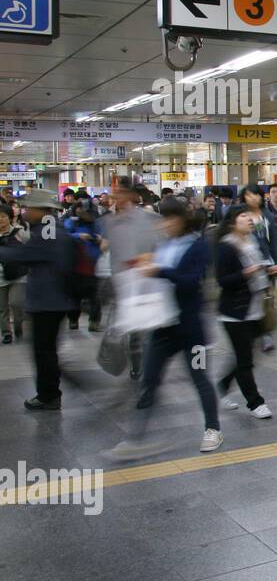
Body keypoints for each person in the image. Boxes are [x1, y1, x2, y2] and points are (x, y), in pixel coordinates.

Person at [106, 197, 220, 459]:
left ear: (181, 220)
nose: (164, 225)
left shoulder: (199, 246)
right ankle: (136, 438)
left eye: (169, 219)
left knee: (200, 377)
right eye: (162, 219)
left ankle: (213, 428)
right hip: (163, 327)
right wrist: (142, 265)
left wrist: (159, 271)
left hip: (192, 330)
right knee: (149, 381)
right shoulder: (165, 245)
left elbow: (190, 281)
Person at [0, 189, 77, 410]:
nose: (25, 212)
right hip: (52, 298)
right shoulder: (49, 228)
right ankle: (50, 391)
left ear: (40, 210)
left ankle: (49, 395)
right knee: (45, 349)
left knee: (43, 351)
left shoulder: (49, 231)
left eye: (28, 208)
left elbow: (27, 255)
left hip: (49, 300)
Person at [214, 204, 277, 428]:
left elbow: (259, 267)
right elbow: (223, 281)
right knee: (245, 359)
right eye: (244, 216)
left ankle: (223, 385)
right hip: (235, 312)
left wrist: (269, 270)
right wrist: (247, 272)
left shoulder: (252, 241)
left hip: (255, 308)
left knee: (245, 354)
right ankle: (255, 403)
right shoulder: (226, 247)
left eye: (250, 216)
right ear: (233, 222)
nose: (250, 219)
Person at [97, 178, 162, 379]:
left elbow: (159, 248)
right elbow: (104, 247)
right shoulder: (110, 220)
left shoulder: (149, 219)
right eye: (115, 194)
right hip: (118, 281)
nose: (117, 198)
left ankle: (137, 365)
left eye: (121, 194)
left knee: (138, 329)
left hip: (141, 281)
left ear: (133, 196)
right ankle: (128, 360)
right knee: (121, 326)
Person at [237, 184, 277, 352]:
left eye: (256, 195)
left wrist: (276, 262)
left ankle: (265, 334)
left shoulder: (267, 215)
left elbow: (273, 242)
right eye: (249, 195)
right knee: (248, 299)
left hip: (265, 263)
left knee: (264, 300)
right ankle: (250, 331)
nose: (253, 198)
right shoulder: (239, 214)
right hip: (245, 263)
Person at [65, 201, 103, 332]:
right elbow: (64, 236)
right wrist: (78, 236)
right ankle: (73, 319)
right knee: (74, 295)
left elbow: (102, 237)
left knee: (95, 296)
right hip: (75, 263)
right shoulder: (71, 222)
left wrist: (99, 239)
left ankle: (94, 321)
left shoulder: (96, 222)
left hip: (93, 263)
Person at [0, 203, 29, 344]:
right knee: (2, 307)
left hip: (18, 274)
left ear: (9, 218)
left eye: (3, 217)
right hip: (0, 276)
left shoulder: (19, 231)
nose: (1, 220)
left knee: (17, 303)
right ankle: (6, 333)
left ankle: (18, 326)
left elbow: (30, 247)